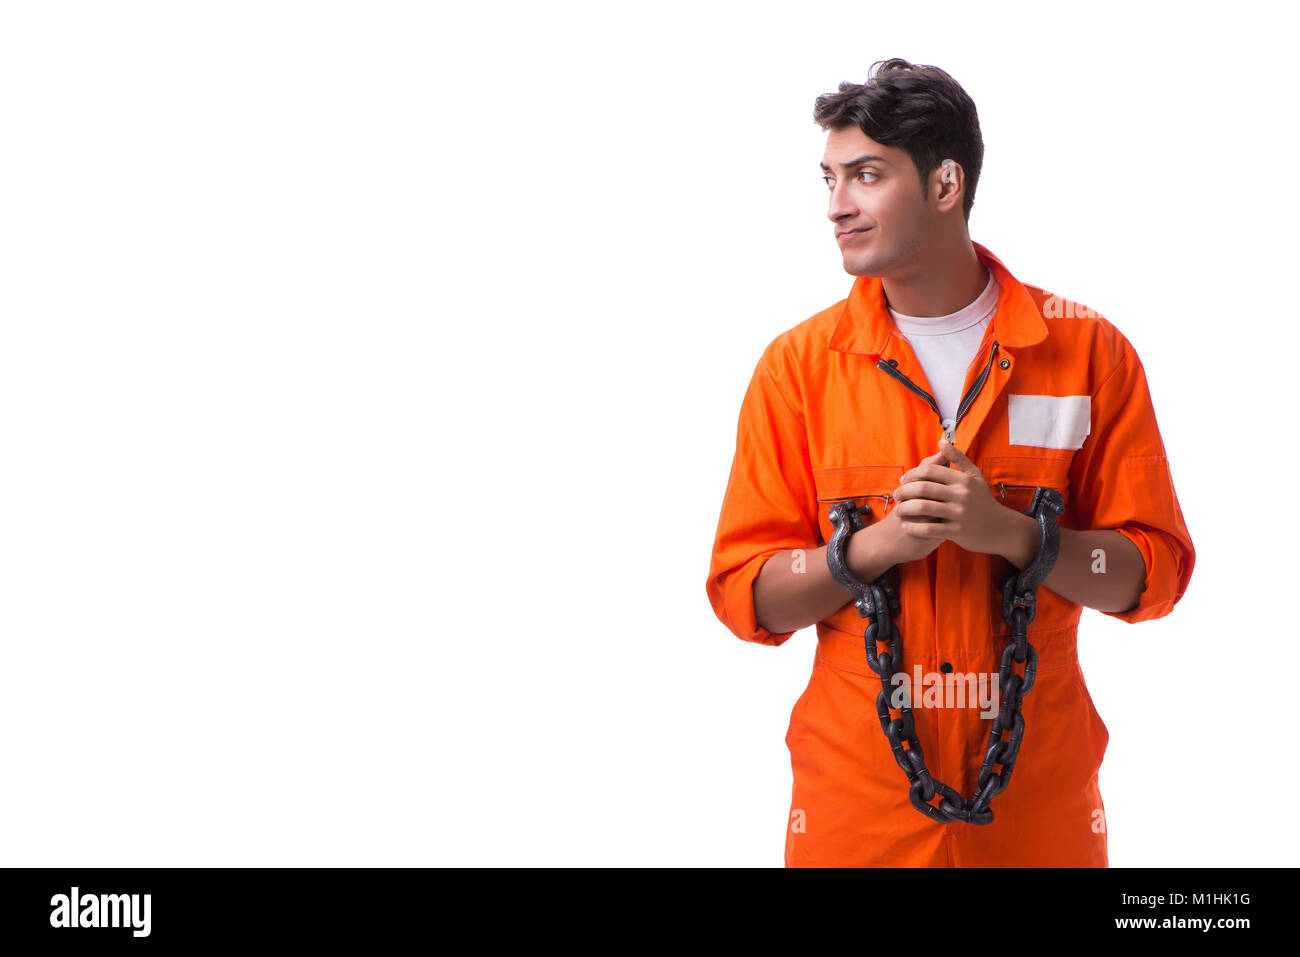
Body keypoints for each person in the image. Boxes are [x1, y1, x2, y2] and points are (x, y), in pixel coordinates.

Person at [704, 58, 1195, 867]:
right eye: (828, 178)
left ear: (944, 185)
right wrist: (873, 547)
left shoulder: (1087, 353)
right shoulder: (798, 368)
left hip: (1037, 814)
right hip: (856, 816)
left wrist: (1013, 534)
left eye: (866, 175)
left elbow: (1153, 572)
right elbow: (745, 594)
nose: (837, 206)